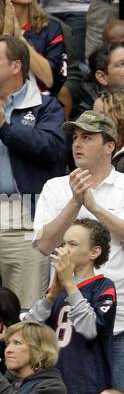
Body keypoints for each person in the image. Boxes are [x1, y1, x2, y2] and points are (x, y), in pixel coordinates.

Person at [32, 108, 124, 394]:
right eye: (75, 137)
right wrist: (75, 203)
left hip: (123, 317)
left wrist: (97, 209)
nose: (77, 143)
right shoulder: (55, 187)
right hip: (70, 319)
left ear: (109, 146)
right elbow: (44, 243)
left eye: (88, 137)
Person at [24, 217, 115, 394]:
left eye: (73, 245)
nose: (64, 250)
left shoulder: (104, 286)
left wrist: (69, 285)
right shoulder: (57, 286)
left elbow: (90, 329)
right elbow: (30, 331)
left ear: (94, 252)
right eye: (63, 244)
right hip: (51, 386)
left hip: (86, 386)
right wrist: (51, 296)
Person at [0, 34, 66, 308]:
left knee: (26, 310)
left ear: (16, 66)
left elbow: (52, 149)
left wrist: (5, 128)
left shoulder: (46, 106)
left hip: (24, 216)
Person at [0, 0, 66, 95]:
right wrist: (6, 36)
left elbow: (51, 80)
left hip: (42, 108)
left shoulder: (50, 28)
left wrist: (19, 38)